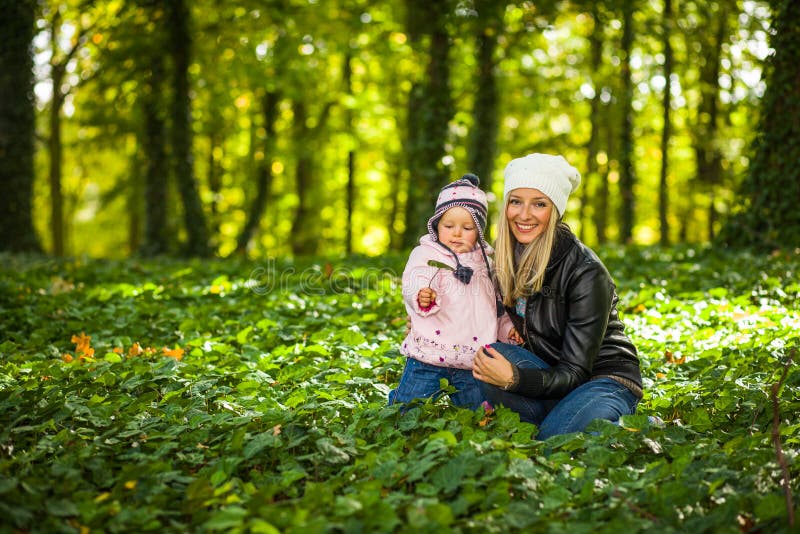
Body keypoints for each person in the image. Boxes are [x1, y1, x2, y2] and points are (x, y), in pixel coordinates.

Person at [471, 153, 643, 439]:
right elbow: (472, 305)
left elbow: (576, 371)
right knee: (492, 355)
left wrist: (515, 379)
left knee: (554, 444)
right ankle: (572, 419)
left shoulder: (585, 271)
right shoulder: (504, 257)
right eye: (516, 201)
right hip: (548, 376)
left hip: (600, 379)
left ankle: (595, 418)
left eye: (539, 204)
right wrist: (432, 316)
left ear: (555, 211)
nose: (524, 215)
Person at [389, 174, 521, 410]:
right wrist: (422, 295)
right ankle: (398, 410)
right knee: (407, 409)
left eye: (467, 227)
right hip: (428, 355)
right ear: (437, 225)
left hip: (472, 361)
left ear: (479, 231)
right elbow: (413, 280)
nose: (457, 233)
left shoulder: (486, 265)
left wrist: (508, 329)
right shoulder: (426, 255)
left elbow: (496, 308)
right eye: (449, 226)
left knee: (477, 413)